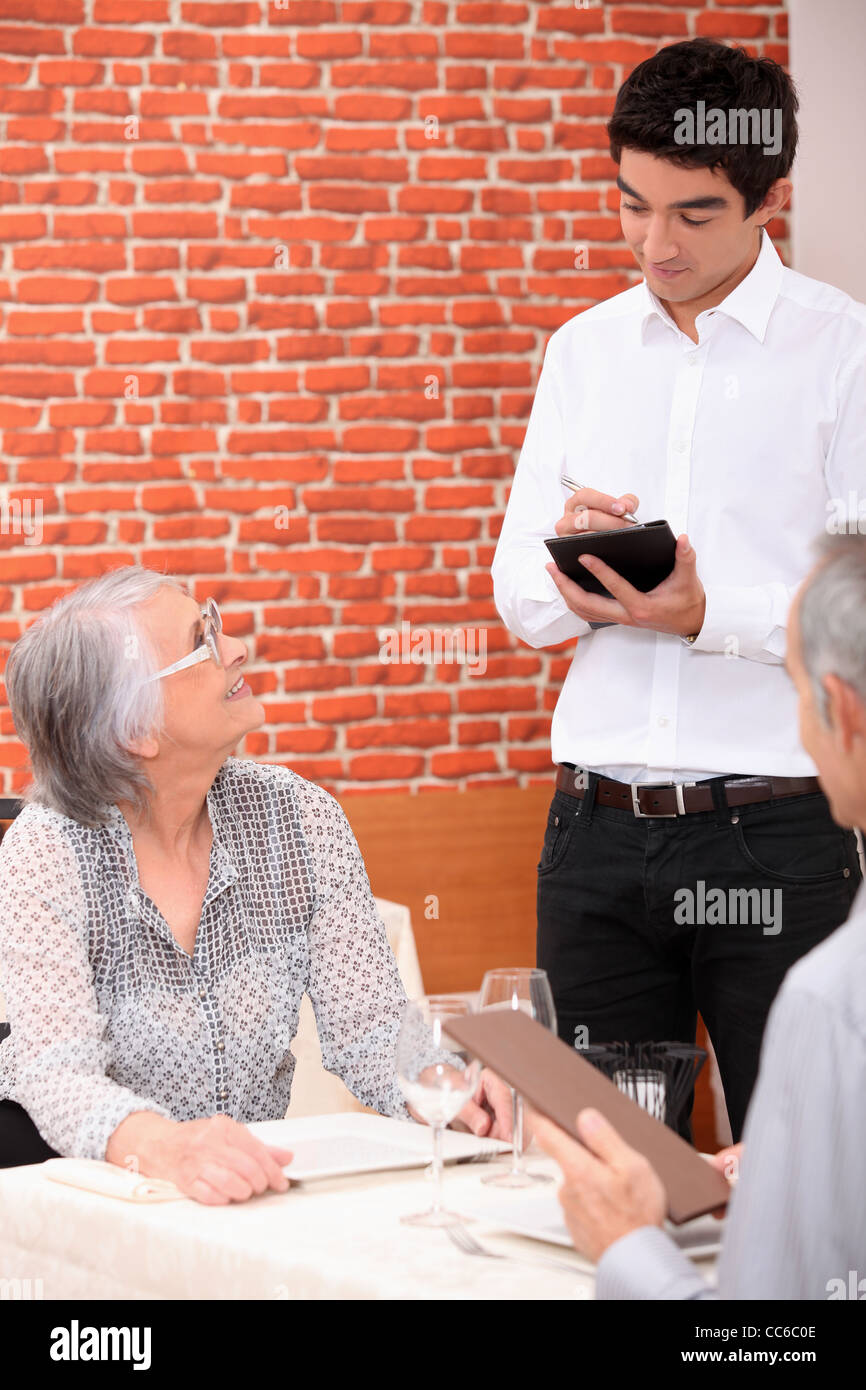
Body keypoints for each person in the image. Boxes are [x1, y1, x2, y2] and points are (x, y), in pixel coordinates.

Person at [491, 37, 865, 1141]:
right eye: (630, 205)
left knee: (798, 1171)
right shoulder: (581, 351)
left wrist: (707, 614)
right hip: (590, 835)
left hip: (774, 835)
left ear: (767, 198)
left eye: (691, 214)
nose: (652, 243)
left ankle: (759, 1333)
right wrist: (582, 565)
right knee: (602, 1168)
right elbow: (518, 599)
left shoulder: (841, 352)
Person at [0, 565, 508, 1202]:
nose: (237, 648)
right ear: (136, 731)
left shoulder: (298, 817)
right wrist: (167, 1148)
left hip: (250, 1196)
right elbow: (54, 1072)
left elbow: (372, 1030)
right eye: (200, 641)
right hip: (103, 1202)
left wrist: (447, 1084)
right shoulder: (47, 849)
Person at [532, 532, 866, 1299]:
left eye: (792, 681)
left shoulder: (834, 999)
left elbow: (761, 1345)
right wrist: (779, 1162)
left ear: (840, 712)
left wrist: (627, 1250)